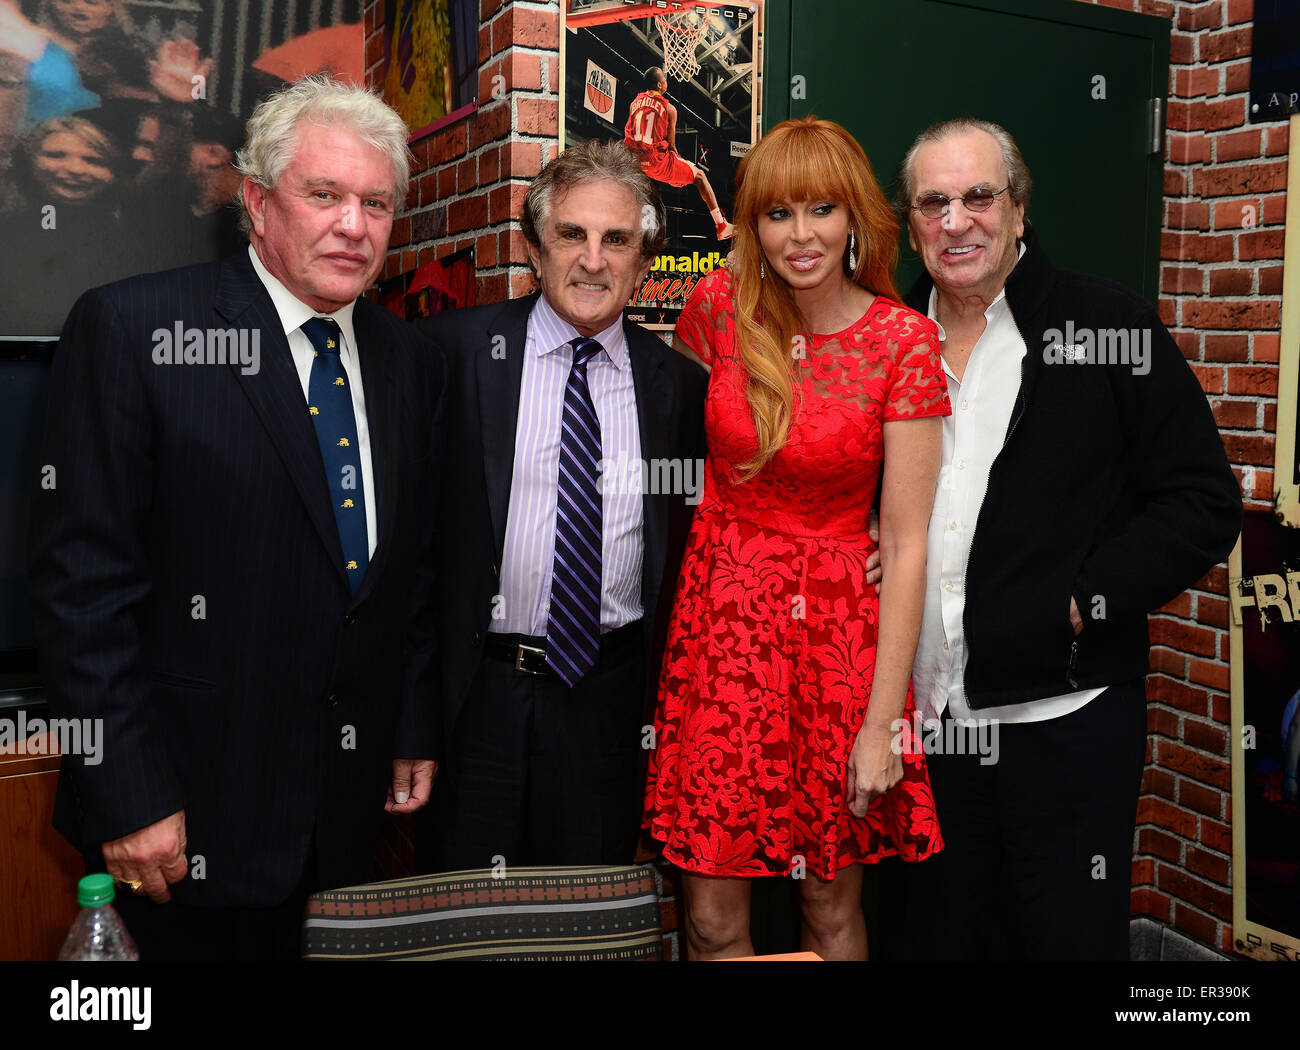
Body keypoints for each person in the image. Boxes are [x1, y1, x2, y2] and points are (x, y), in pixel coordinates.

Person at [28, 73, 442, 960]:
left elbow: (405, 572)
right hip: (184, 825)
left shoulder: (408, 358)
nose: (354, 225)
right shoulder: (133, 331)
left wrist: (410, 727)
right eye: (324, 194)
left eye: (376, 203)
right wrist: (129, 792)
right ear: (256, 202)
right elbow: (79, 594)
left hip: (346, 830)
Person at [897, 117, 1242, 960]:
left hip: (1066, 719)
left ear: (1019, 210)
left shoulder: (1106, 324)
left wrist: (1088, 601)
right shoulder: (889, 338)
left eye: (979, 196)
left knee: (1063, 943)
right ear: (910, 224)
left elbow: (1203, 500)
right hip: (930, 723)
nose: (956, 221)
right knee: (942, 942)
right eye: (932, 202)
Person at [643, 116, 948, 961]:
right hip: (723, 631)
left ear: (856, 217)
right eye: (779, 214)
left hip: (840, 643)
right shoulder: (714, 310)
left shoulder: (904, 342)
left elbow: (910, 540)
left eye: (822, 209)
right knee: (708, 919)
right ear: (752, 224)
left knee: (830, 906)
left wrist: (883, 724)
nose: (802, 234)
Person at [417, 139, 707, 870]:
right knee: (469, 925)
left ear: (644, 263)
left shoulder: (679, 388)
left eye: (617, 240)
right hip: (477, 698)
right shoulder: (448, 356)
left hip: (608, 705)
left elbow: (711, 528)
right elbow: (408, 557)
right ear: (535, 251)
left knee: (586, 922)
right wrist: (410, 726)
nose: (593, 259)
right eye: (571, 234)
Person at [624, 66, 733, 240]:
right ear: (660, 85)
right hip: (657, 161)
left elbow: (629, 134)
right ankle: (721, 225)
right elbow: (672, 147)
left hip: (635, 161)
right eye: (665, 80)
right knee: (699, 176)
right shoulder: (669, 109)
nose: (667, 82)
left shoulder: (633, 104)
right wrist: (678, 170)